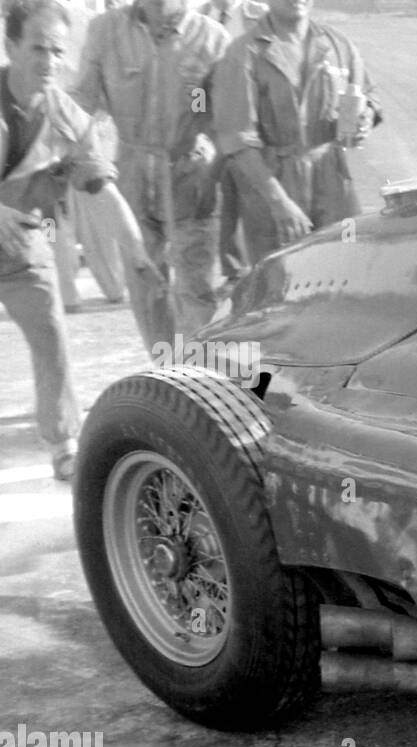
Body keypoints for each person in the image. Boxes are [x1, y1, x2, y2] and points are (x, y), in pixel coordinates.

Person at [0, 0, 155, 479]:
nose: (48, 61)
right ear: (10, 45)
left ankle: (64, 443)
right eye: (37, 48)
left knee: (52, 339)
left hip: (20, 248)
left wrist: (135, 249)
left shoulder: (67, 115)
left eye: (57, 50)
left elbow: (100, 187)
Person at [73, 0, 230, 351]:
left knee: (197, 290)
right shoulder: (105, 31)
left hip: (191, 174)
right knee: (147, 288)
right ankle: (168, 377)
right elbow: (81, 101)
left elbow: (218, 115)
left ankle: (206, 383)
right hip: (131, 175)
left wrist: (217, 171)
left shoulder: (211, 37)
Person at [211, 0, 380, 266]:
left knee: (347, 265)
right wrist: (279, 203)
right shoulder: (242, 53)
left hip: (335, 187)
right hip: (274, 189)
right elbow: (238, 141)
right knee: (282, 281)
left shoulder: (337, 46)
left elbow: (367, 95)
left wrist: (365, 118)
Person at [196, 0, 266, 284]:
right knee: (224, 199)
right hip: (216, 121)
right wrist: (199, 118)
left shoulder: (260, 15)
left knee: (258, 200)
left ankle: (264, 268)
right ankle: (234, 272)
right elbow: (196, 84)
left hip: (256, 125)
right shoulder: (197, 19)